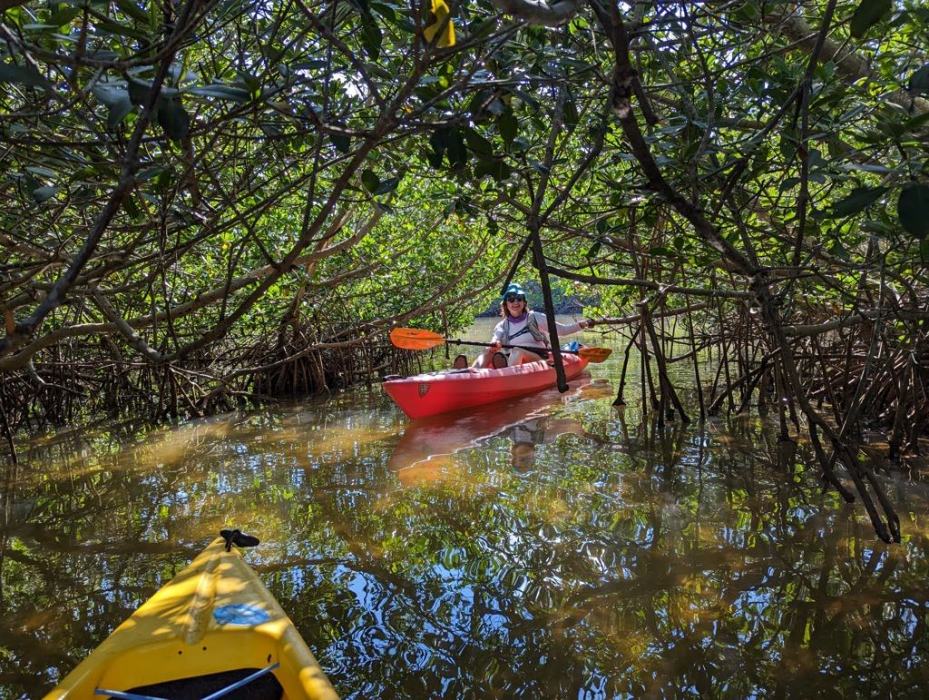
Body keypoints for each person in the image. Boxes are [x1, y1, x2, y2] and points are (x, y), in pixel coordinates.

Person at [453, 283, 595, 369]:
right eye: (511, 299)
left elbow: (562, 330)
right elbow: (496, 337)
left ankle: (505, 374)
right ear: (506, 304)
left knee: (517, 350)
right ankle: (472, 372)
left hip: (539, 358)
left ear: (524, 302)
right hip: (513, 361)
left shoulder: (535, 317)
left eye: (519, 299)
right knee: (488, 351)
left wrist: (582, 324)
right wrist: (494, 344)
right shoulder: (502, 325)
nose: (516, 302)